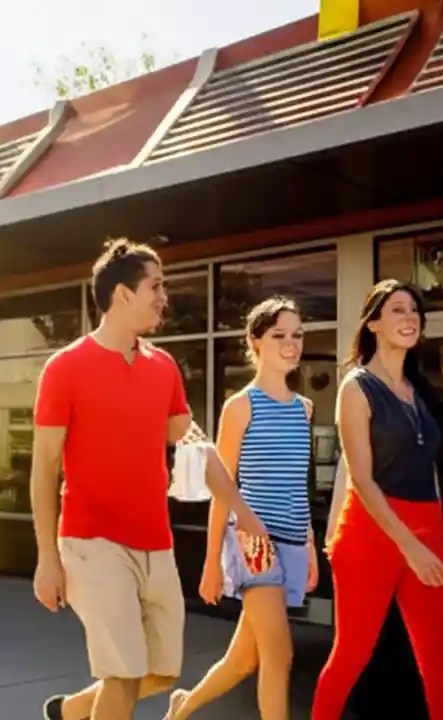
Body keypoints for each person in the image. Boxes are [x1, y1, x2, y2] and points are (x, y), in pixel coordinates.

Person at [31, 238, 267, 720]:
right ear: (122, 294)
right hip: (91, 540)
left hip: (154, 542)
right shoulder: (65, 369)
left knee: (158, 673)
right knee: (121, 674)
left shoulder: (163, 369)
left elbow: (197, 447)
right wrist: (46, 559)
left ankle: (73, 713)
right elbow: (43, 469)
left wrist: (243, 514)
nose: (164, 296)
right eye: (156, 286)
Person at [311, 280, 443, 720]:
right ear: (374, 323)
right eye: (397, 309)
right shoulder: (356, 387)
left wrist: (434, 534)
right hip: (369, 531)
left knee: (442, 667)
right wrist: (410, 545)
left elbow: (430, 471)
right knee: (350, 657)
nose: (409, 317)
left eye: (414, 311)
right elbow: (360, 477)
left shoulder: (419, 392)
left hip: (426, 528)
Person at [164, 296, 316, 720]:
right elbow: (223, 487)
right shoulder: (241, 406)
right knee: (280, 654)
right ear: (256, 342)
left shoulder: (304, 409)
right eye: (279, 335)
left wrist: (308, 545)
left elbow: (298, 486)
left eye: (297, 335)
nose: (291, 344)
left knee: (244, 659)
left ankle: (182, 705)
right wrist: (212, 562)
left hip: (289, 541)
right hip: (252, 542)